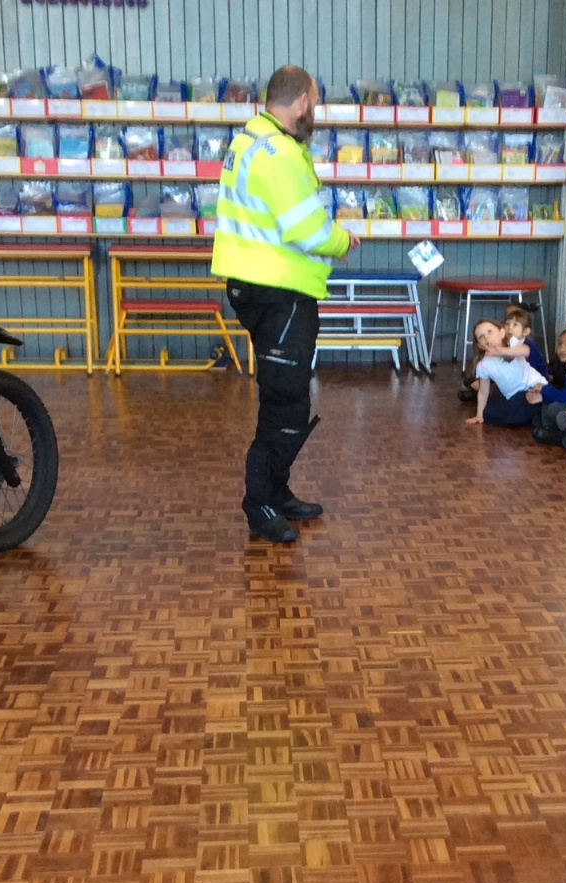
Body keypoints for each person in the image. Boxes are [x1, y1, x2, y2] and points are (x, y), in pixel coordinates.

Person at [212, 64, 356, 544]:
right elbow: (306, 229)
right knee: (285, 404)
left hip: (257, 288)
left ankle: (277, 492)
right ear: (302, 103)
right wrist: (343, 240)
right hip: (281, 294)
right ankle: (260, 504)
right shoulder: (281, 154)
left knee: (281, 396)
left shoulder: (248, 141)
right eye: (314, 102)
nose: (315, 111)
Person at [465, 319, 547, 426]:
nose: (486, 338)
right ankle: (535, 417)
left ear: (501, 333)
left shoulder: (513, 343)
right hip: (514, 397)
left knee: (517, 407)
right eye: (481, 337)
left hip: (534, 388)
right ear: (480, 345)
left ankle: (539, 412)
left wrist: (501, 351)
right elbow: (483, 391)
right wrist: (479, 415)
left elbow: (526, 351)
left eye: (490, 332)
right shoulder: (483, 365)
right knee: (489, 413)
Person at [525, 327, 566, 427]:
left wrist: (543, 388)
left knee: (555, 408)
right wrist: (542, 396)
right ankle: (548, 429)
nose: (562, 349)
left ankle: (554, 433)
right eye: (560, 344)